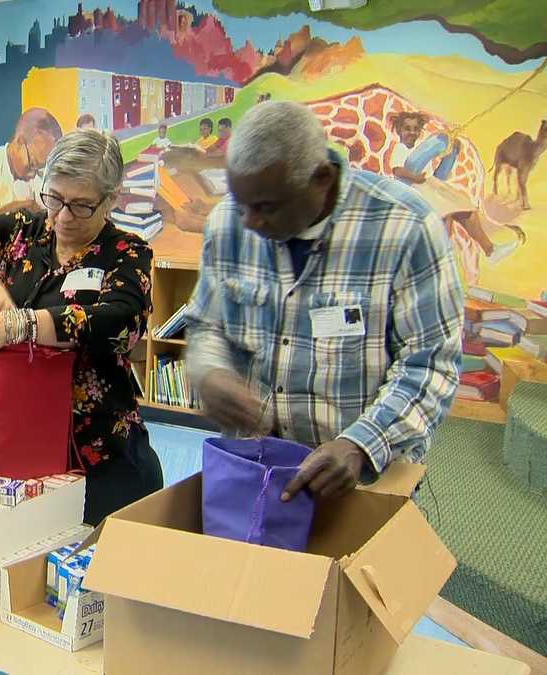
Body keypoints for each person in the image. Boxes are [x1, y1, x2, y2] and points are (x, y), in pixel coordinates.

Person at [186, 101, 464, 501]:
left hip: (364, 485)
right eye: (241, 203)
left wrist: (361, 444)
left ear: (321, 178)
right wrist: (211, 372)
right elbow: (207, 323)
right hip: (255, 477)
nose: (247, 222)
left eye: (265, 208)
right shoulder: (227, 222)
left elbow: (431, 363)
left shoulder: (405, 227)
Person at [0, 129, 164, 526]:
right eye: (55, 198)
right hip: (17, 448)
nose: (63, 217)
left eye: (81, 206)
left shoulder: (127, 253)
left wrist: (21, 325)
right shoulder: (23, 229)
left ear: (111, 199)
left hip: (97, 457)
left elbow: (120, 322)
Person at [387, 112, 523, 280]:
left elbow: (438, 176)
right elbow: (397, 171)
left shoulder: (421, 150)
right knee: (446, 212)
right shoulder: (400, 149)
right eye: (407, 129)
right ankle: (437, 263)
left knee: (466, 209)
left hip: (428, 185)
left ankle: (490, 250)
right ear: (399, 130)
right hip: (410, 188)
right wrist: (415, 177)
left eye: (416, 129)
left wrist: (452, 151)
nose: (412, 132)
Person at [0, 108, 63, 224]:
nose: (33, 174)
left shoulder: (38, 176)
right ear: (20, 142)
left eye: (39, 168)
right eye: (32, 164)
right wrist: (14, 211)